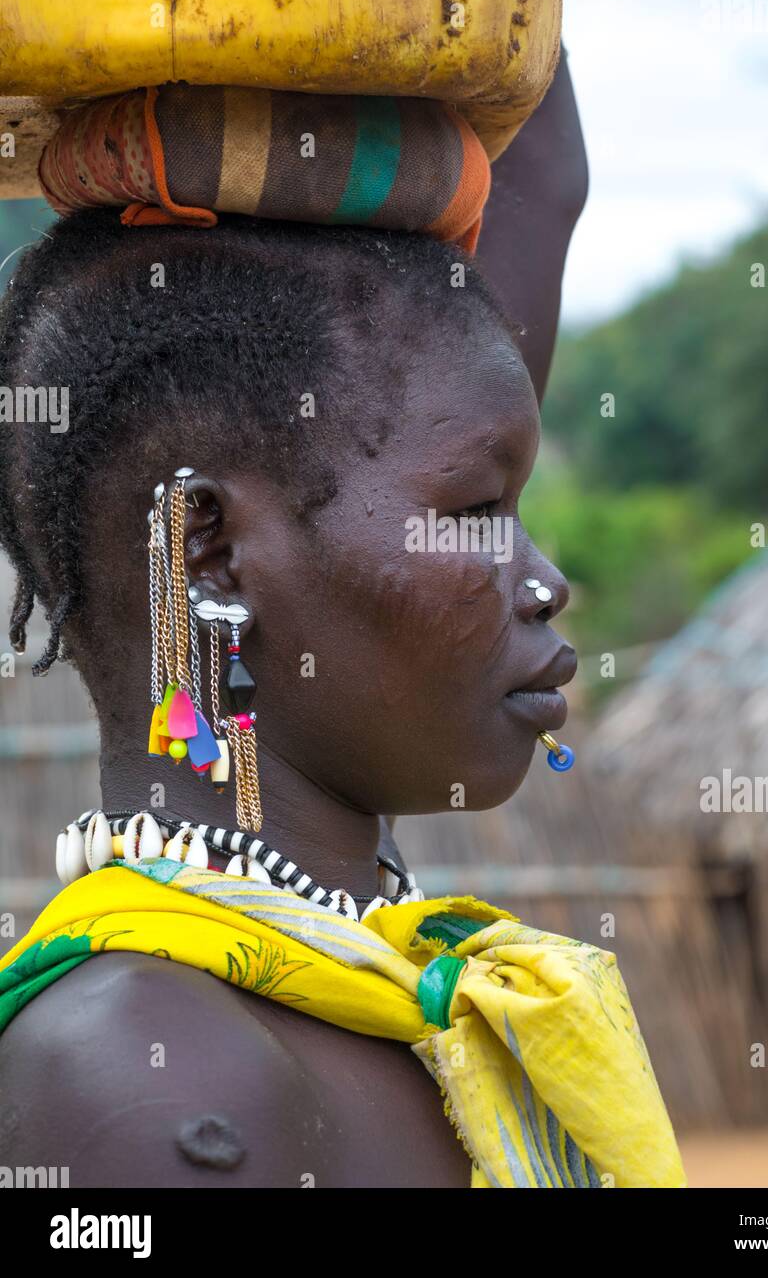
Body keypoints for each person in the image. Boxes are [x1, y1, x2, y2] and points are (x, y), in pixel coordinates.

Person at [0, 60, 685, 1187]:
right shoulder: (145, 1086)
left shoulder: (362, 978)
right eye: (475, 514)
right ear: (211, 550)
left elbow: (539, 180)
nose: (546, 581)